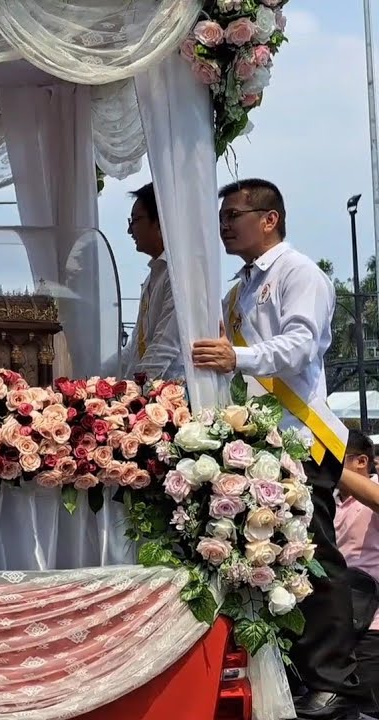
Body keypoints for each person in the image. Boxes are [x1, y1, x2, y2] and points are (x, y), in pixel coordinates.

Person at [191, 178, 364, 719]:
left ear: (270, 219)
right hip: (263, 438)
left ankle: (338, 681)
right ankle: (298, 672)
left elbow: (300, 345)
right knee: (276, 557)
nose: (225, 225)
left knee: (315, 558)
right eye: (222, 217)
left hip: (304, 434)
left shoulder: (298, 273)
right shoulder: (240, 286)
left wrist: (235, 359)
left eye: (234, 215)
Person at [121, 183, 183, 380]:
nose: (130, 231)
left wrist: (135, 393)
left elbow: (163, 346)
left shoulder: (179, 275)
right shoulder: (154, 275)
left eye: (136, 220)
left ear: (159, 222)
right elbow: (135, 348)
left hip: (170, 396)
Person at [338, 431, 379, 717]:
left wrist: (330, 468)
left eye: (338, 459)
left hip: (372, 626)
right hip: (335, 623)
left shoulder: (375, 488)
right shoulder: (328, 498)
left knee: (367, 710)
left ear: (362, 461)